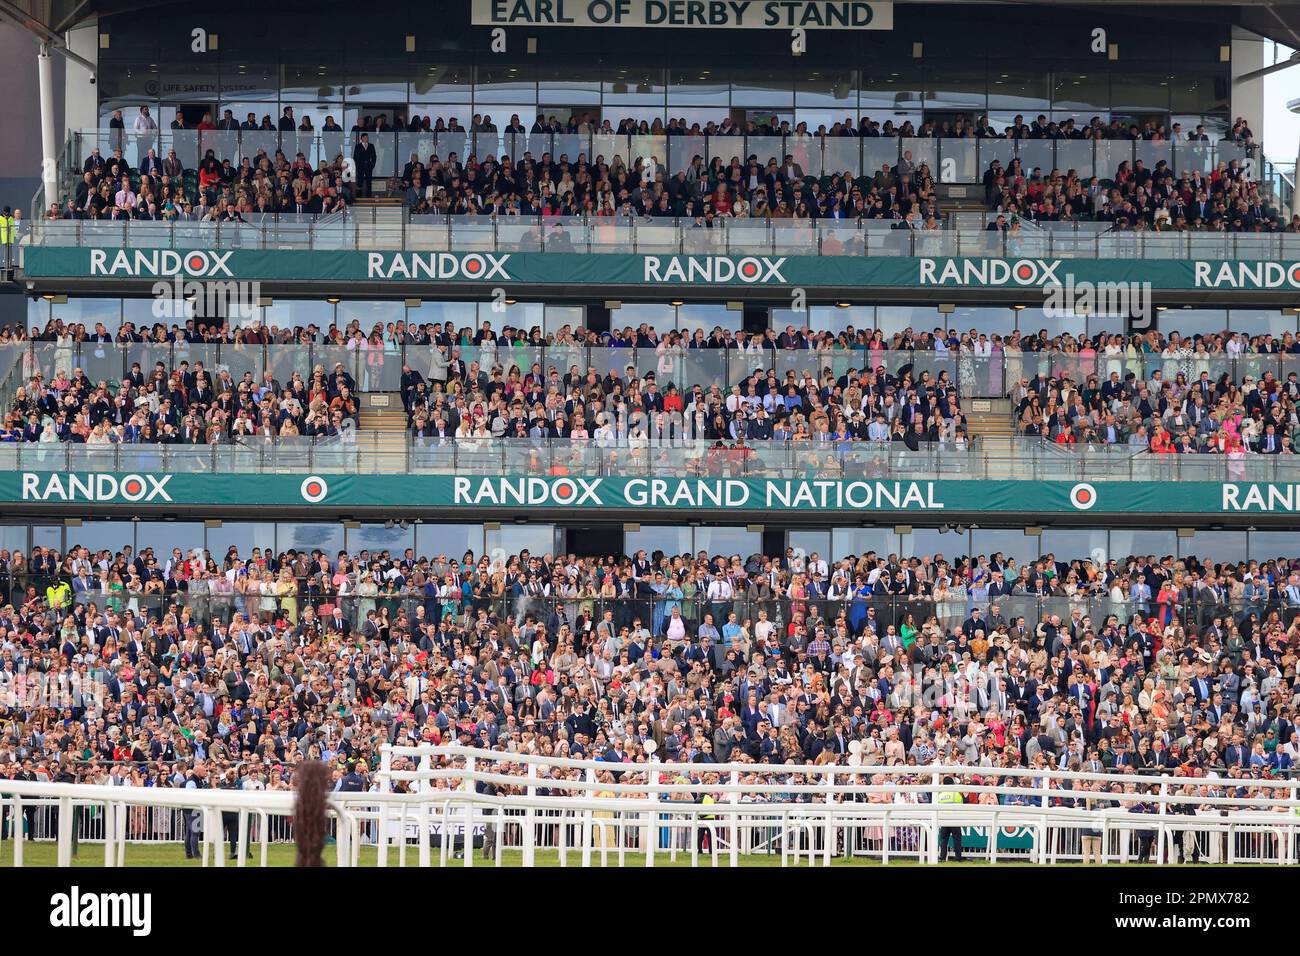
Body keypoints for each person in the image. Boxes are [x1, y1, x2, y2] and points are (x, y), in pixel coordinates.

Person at [936, 775, 964, 861]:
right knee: (957, 839)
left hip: (944, 819)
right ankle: (958, 856)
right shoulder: (956, 793)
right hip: (954, 819)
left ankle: (942, 857)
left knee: (944, 839)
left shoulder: (940, 794)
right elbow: (961, 805)